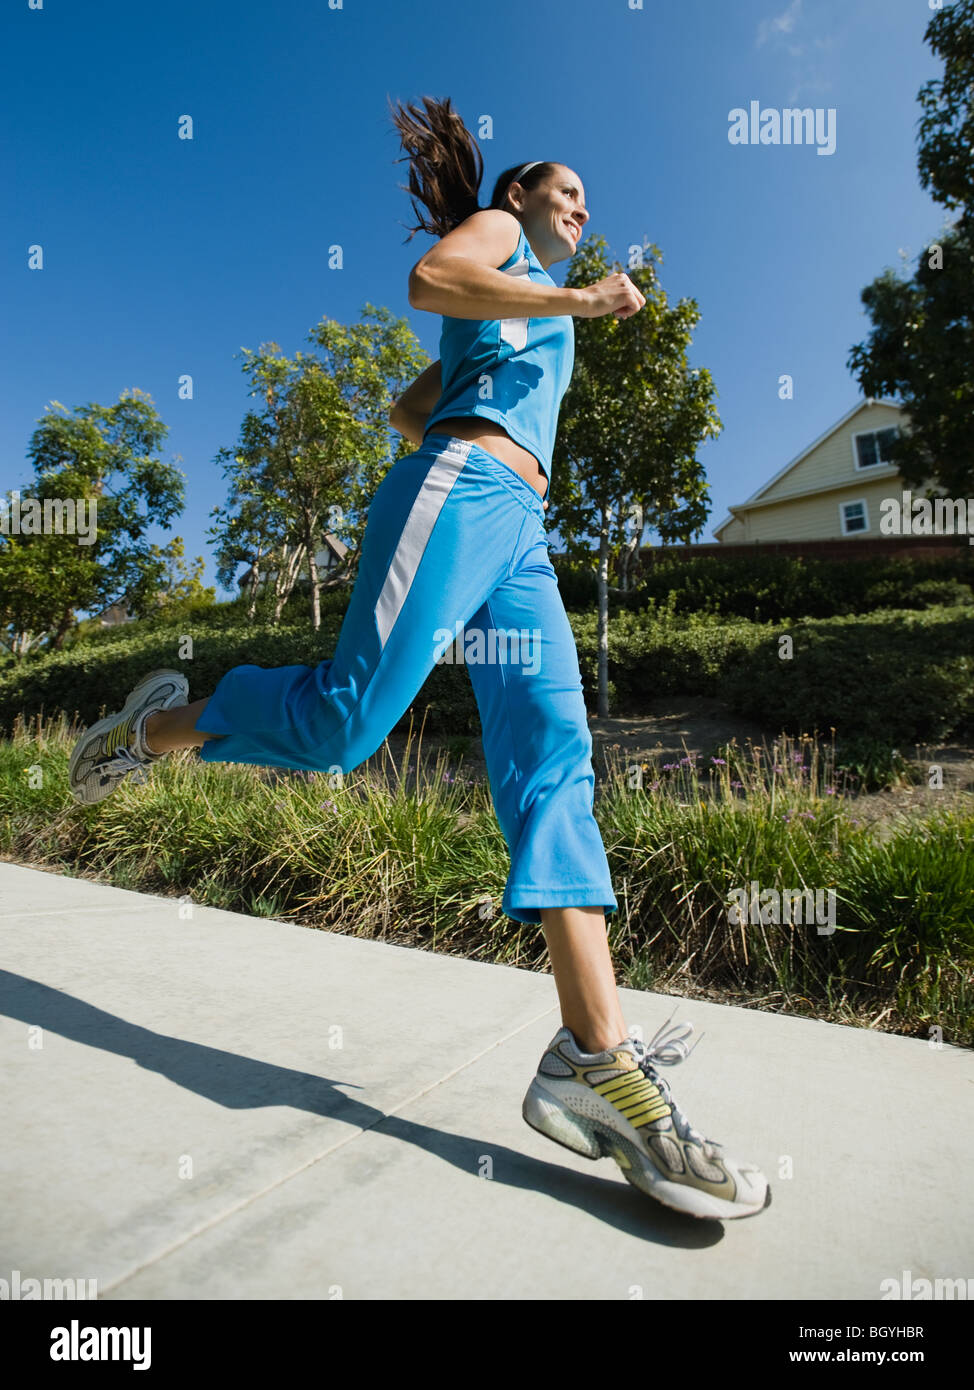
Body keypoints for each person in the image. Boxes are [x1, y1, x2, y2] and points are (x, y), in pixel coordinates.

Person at [68, 95, 769, 1219]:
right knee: (346, 727)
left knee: (555, 758)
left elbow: (412, 400)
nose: (581, 210)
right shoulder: (504, 246)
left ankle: (597, 1061)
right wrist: (569, 300)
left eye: (587, 203)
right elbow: (432, 284)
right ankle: (153, 729)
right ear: (518, 198)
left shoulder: (531, 300)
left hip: (520, 533)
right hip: (465, 491)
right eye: (565, 193)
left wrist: (485, 369)